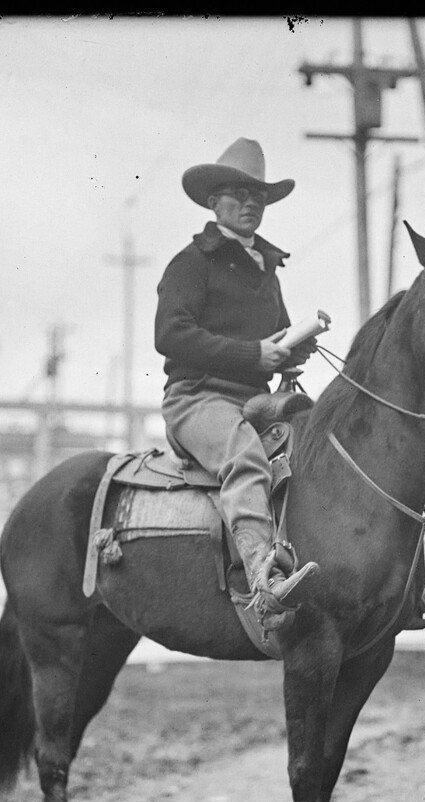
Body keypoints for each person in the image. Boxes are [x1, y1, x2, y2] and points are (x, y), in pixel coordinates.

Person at [155, 137, 319, 631]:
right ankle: (263, 581)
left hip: (257, 399)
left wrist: (293, 347)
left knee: (322, 447)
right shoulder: (191, 262)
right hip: (197, 398)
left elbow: (277, 334)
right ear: (213, 202)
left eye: (259, 197)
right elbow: (169, 334)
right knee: (245, 456)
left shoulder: (267, 267)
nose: (250, 203)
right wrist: (254, 353)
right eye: (238, 194)